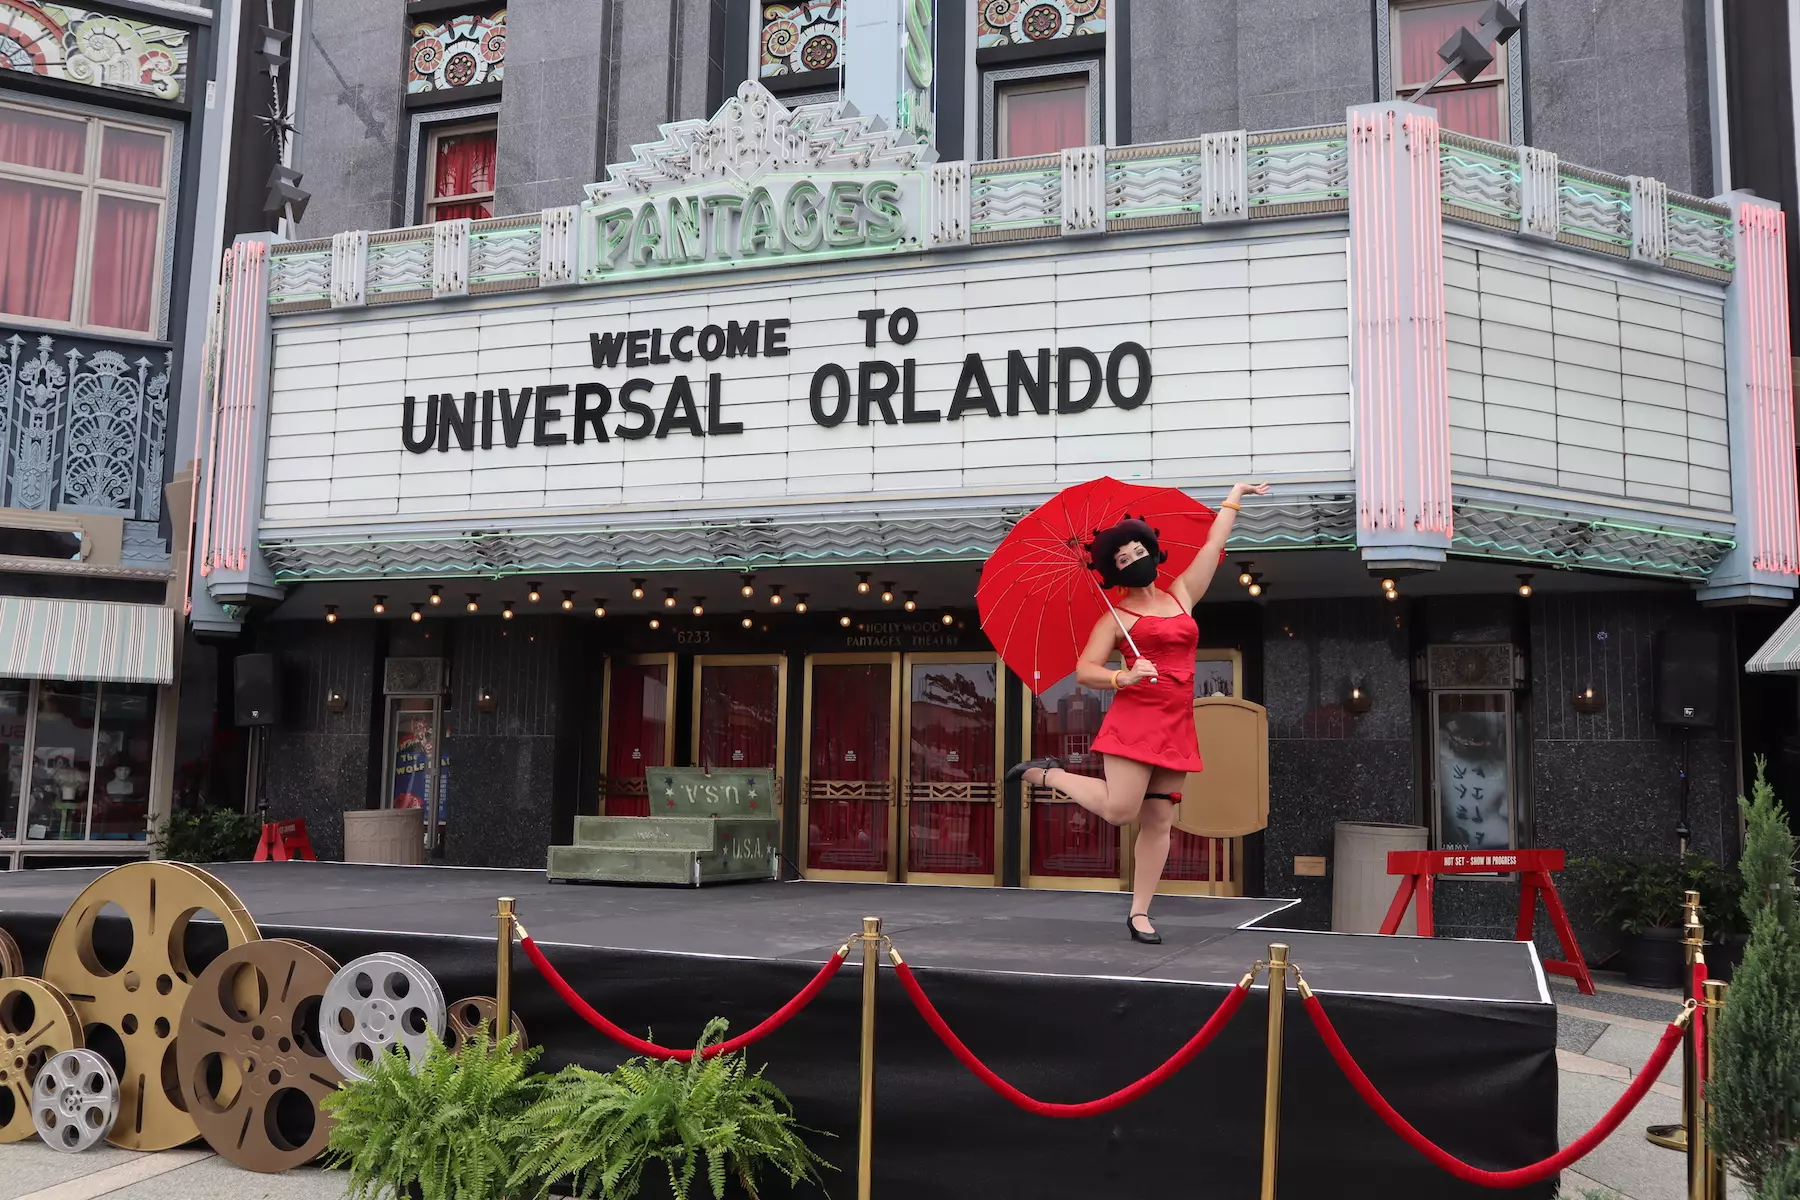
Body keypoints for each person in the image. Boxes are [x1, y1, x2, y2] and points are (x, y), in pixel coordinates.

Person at [1007, 480, 1270, 943]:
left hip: (1177, 721)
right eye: (1122, 560)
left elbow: (1213, 543)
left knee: (1159, 821)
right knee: (1119, 810)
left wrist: (1234, 497)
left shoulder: (1182, 594)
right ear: (1114, 572)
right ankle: (1047, 775)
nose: (1132, 561)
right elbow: (1084, 669)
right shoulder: (1114, 618)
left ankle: (1140, 914)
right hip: (1135, 718)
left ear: (1150, 549)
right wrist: (1121, 677)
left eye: (1135, 551)